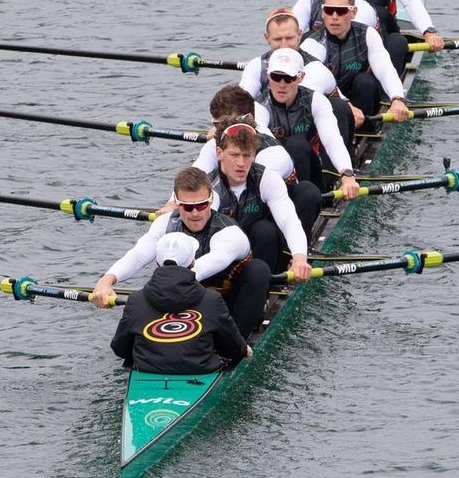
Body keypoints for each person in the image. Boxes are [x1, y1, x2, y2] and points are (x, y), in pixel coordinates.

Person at [90, 167, 271, 336]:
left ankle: (238, 342)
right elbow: (139, 254)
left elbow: (210, 263)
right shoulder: (165, 223)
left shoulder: (229, 233)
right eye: (187, 206)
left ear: (210, 199)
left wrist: (155, 291)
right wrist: (106, 281)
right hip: (184, 296)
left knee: (259, 270)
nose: (195, 213)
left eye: (201, 205)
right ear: (176, 202)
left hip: (228, 303)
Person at [110, 233, 249, 374]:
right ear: (193, 262)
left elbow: (119, 348)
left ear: (158, 262)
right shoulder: (212, 300)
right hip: (201, 370)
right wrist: (243, 349)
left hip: (148, 371)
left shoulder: (136, 300)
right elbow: (234, 348)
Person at [208, 120, 318, 280]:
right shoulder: (209, 188)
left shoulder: (267, 178)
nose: (241, 163)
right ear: (219, 153)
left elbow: (289, 220)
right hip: (221, 252)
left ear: (255, 155)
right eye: (234, 155)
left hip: (260, 250)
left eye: (247, 156)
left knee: (265, 230)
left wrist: (300, 257)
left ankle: (270, 281)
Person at [252, 48, 360, 201]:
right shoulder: (259, 107)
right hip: (274, 176)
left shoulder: (315, 100)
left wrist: (347, 174)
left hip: (309, 171)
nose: (282, 84)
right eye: (276, 77)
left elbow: (332, 139)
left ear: (301, 77)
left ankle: (316, 194)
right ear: (268, 75)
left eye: (289, 78)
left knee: (297, 144)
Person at [301, 0, 413, 124]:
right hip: (331, 104)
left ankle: (366, 127)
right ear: (322, 13)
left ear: (353, 12)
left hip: (361, 98)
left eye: (341, 11)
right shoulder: (312, 44)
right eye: (329, 10)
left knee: (364, 82)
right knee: (338, 105)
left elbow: (385, 69)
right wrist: (347, 105)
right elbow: (319, 85)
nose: (334, 17)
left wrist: (397, 98)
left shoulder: (367, 34)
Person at [240, 9, 360, 138]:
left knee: (339, 107)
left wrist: (348, 105)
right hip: (272, 127)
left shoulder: (314, 67)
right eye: (278, 39)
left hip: (305, 132)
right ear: (267, 38)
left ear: (299, 35)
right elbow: (240, 102)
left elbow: (335, 96)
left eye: (289, 38)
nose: (284, 45)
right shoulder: (256, 66)